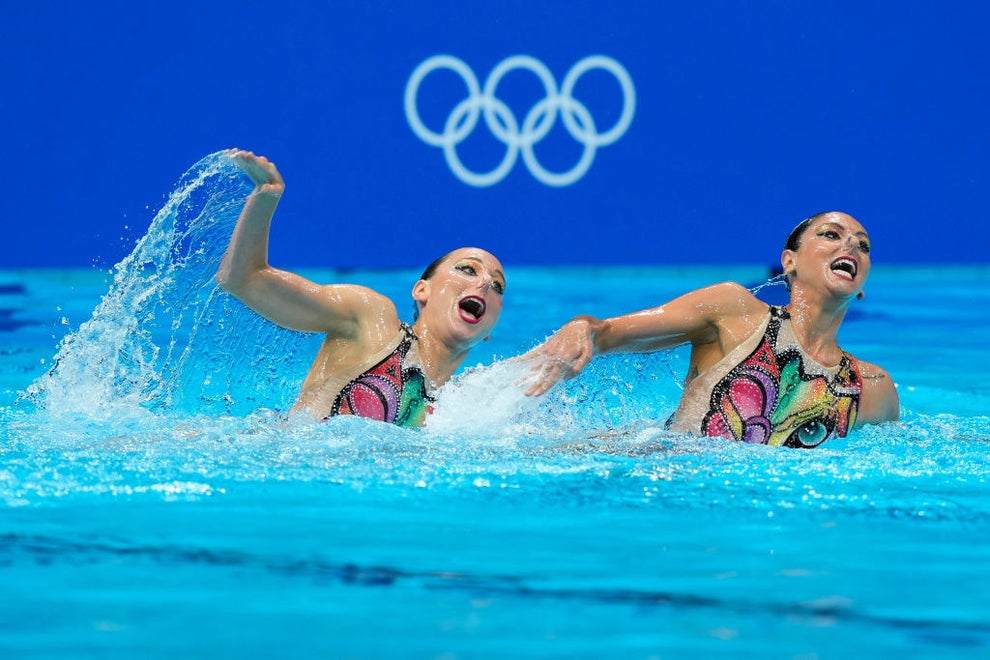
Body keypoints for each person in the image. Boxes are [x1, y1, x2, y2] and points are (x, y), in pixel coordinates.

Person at [523, 211, 899, 448]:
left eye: (862, 245)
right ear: (790, 262)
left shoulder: (872, 386)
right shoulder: (733, 311)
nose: (850, 244)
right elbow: (607, 332)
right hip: (666, 479)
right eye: (831, 235)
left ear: (862, 285)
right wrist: (580, 327)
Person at [216, 150, 506, 427]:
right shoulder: (371, 318)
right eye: (467, 269)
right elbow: (243, 278)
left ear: (489, 331)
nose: (484, 283)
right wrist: (265, 196)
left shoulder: (460, 412)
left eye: (497, 286)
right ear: (421, 291)